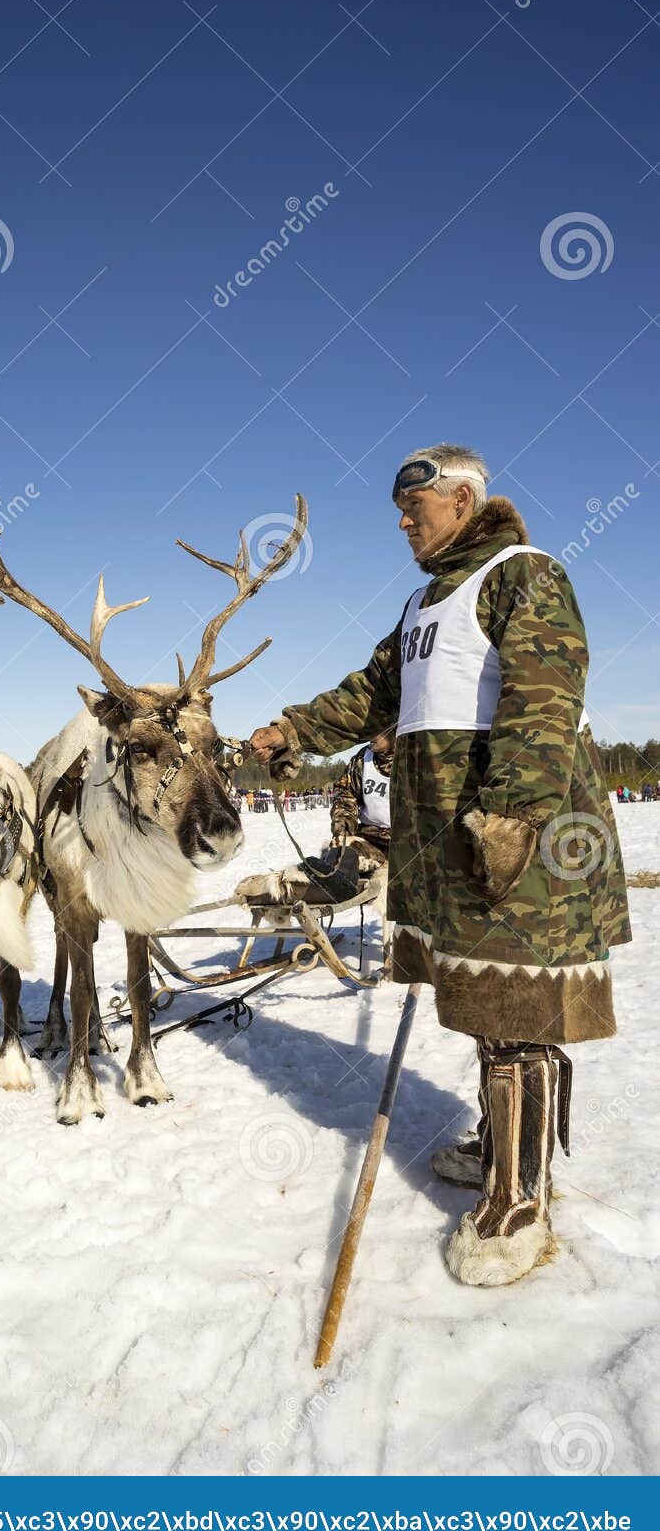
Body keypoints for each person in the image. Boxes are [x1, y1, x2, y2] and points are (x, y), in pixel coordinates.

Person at [250, 443, 630, 1288]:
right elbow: (370, 693)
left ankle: (520, 1203)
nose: (400, 520)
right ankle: (501, 1150)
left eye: (412, 504)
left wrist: (511, 816)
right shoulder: (427, 601)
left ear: (461, 498)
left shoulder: (520, 573)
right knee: (481, 993)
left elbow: (544, 698)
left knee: (518, 1007)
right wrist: (293, 732)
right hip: (446, 832)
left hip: (513, 832)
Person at [330, 733, 394, 858]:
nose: (371, 735)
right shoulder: (362, 758)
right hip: (369, 838)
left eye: (377, 730)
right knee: (338, 860)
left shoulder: (415, 757)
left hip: (410, 842)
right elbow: (345, 796)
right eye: (370, 730)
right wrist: (343, 832)